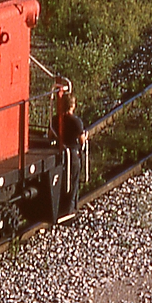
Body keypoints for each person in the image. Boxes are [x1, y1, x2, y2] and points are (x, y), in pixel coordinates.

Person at [60, 89, 88, 217]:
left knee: (64, 180)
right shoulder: (76, 122)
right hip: (73, 153)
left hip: (61, 153)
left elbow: (50, 134)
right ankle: (70, 209)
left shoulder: (56, 120)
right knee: (74, 180)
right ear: (73, 105)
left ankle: (63, 207)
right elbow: (81, 140)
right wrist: (85, 137)